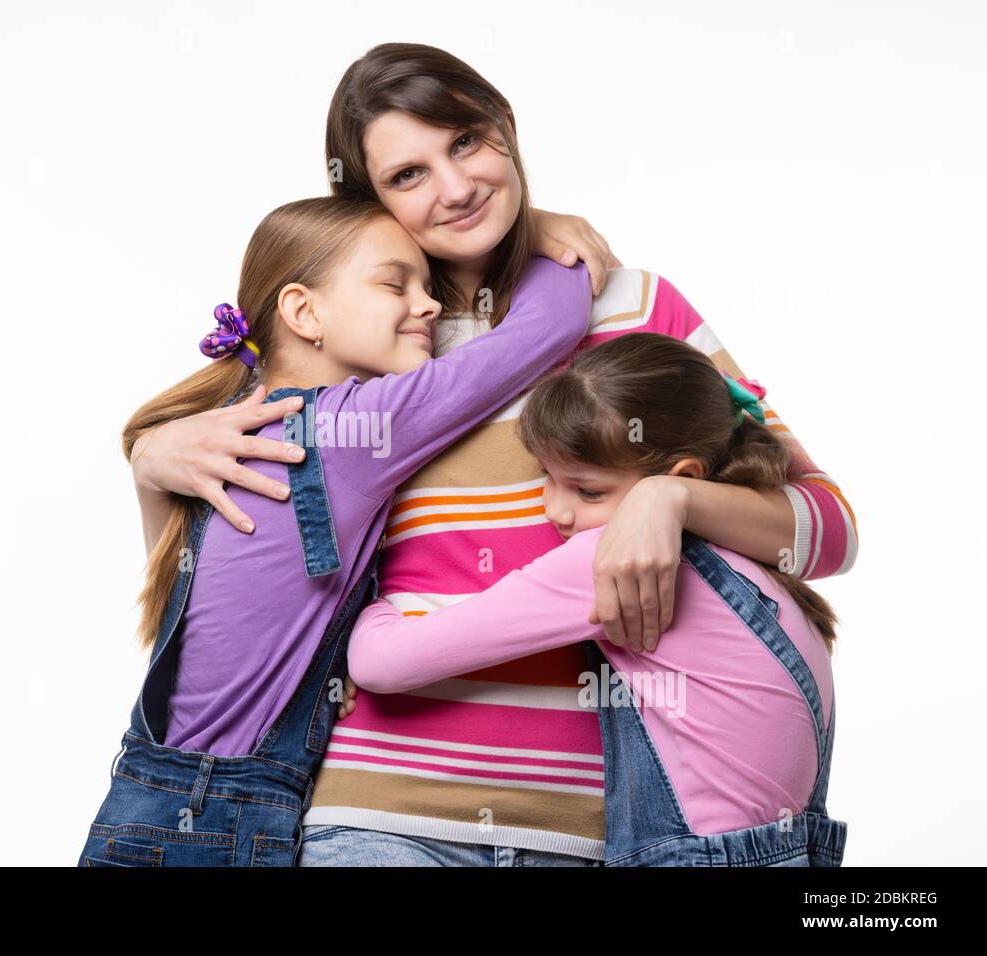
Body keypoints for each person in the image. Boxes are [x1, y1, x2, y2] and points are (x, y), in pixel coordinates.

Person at [129, 43, 858, 866]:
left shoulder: (635, 307)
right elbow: (248, 545)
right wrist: (154, 455)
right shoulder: (382, 340)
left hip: (602, 827)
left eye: (467, 141)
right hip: (377, 816)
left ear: (506, 131)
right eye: (408, 176)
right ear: (365, 204)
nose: (455, 186)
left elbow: (827, 532)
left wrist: (672, 500)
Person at [75, 196, 590, 866]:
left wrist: (146, 467)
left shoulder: (230, 426)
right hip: (229, 817)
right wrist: (541, 234)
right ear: (303, 311)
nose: (429, 305)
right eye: (393, 283)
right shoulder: (351, 428)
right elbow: (548, 329)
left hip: (145, 803)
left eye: (429, 287)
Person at [320, 332, 845, 867]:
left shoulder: (613, 560)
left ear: (681, 477)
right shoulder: (752, 560)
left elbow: (383, 663)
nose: (557, 511)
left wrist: (376, 603)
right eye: (547, 478)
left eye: (588, 490)